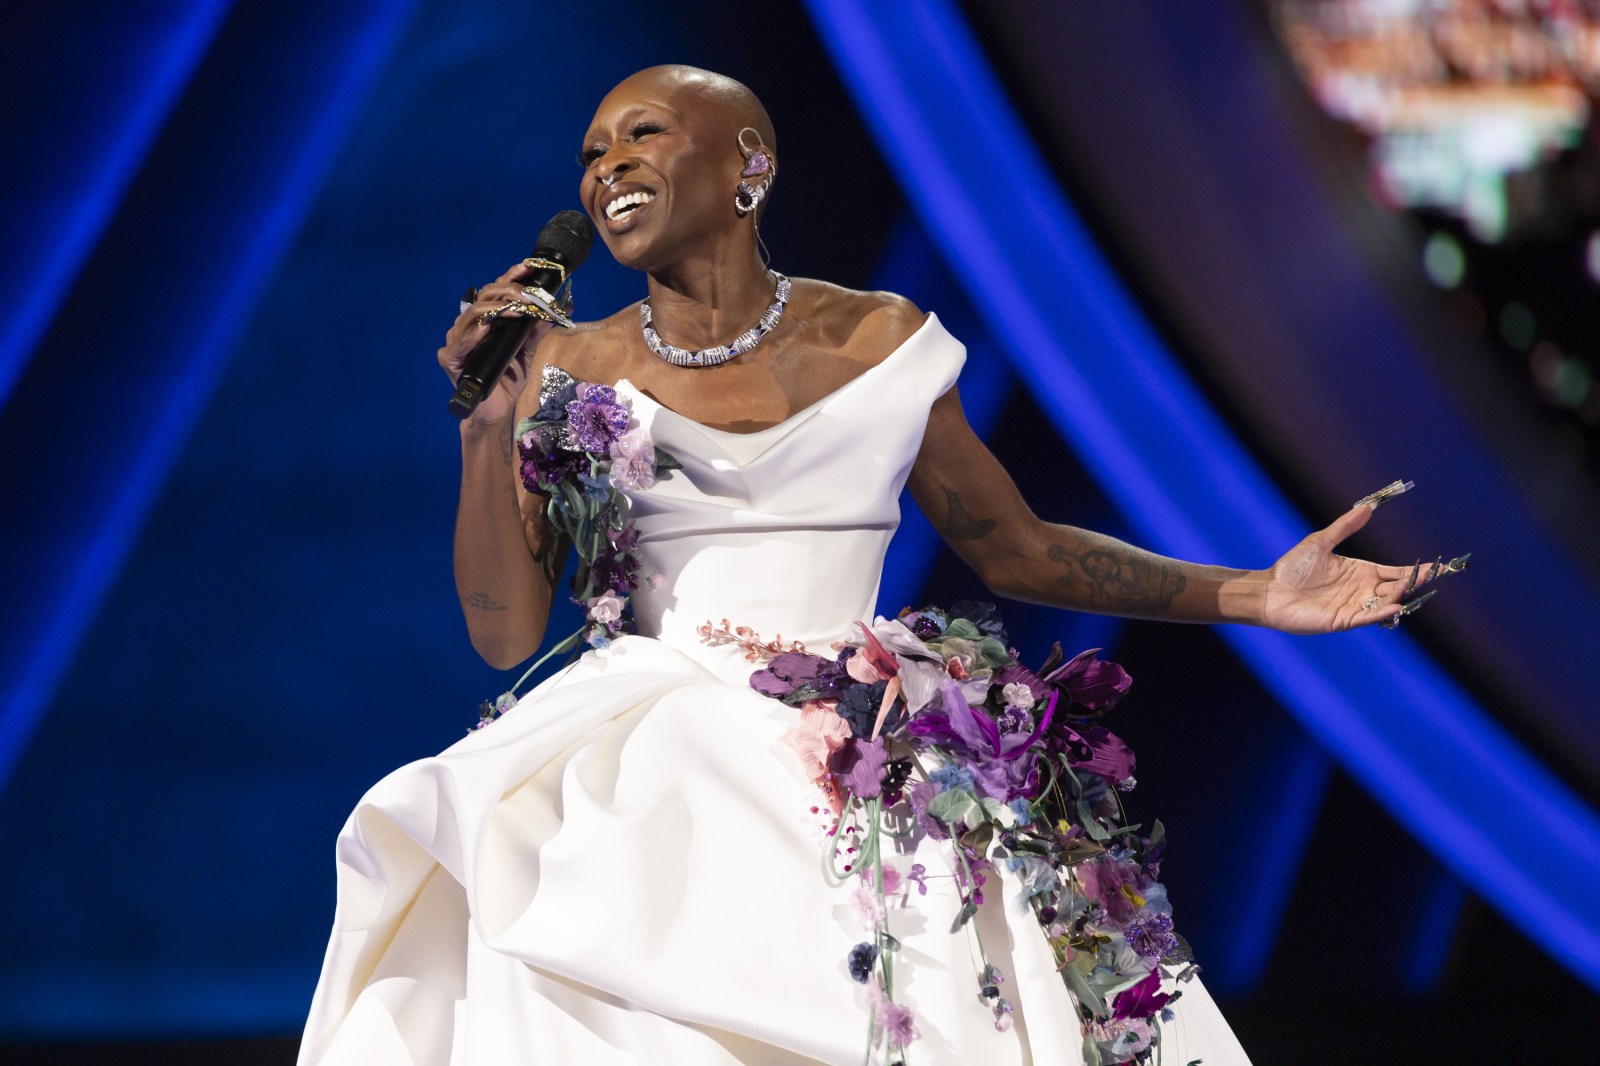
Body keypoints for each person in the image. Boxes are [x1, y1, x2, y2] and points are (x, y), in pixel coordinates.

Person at [299, 66, 1455, 1066]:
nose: (607, 167)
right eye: (592, 154)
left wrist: (1254, 593)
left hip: (863, 756)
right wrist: (484, 429)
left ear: (748, 165)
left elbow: (1017, 547)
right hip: (638, 770)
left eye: (641, 133)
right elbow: (505, 634)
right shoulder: (564, 365)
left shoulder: (879, 341)